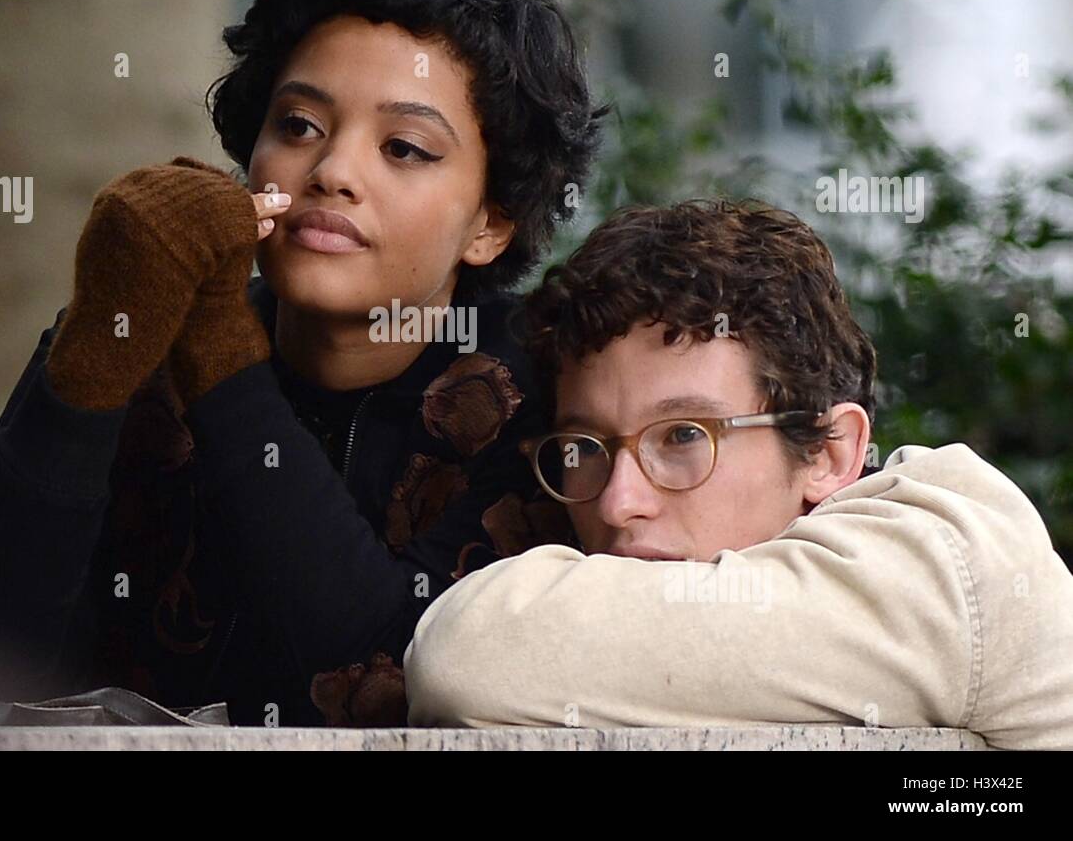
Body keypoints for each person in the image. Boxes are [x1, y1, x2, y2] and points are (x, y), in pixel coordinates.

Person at [0, 0, 606, 726]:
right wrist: (99, 344)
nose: (333, 169)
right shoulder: (136, 337)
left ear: (490, 222)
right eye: (299, 124)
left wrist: (216, 342)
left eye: (403, 147)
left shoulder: (536, 398)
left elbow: (388, 677)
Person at [403, 199, 1073, 749]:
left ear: (831, 451)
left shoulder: (946, 564)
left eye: (685, 436)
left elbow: (470, 654)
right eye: (587, 446)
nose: (617, 502)